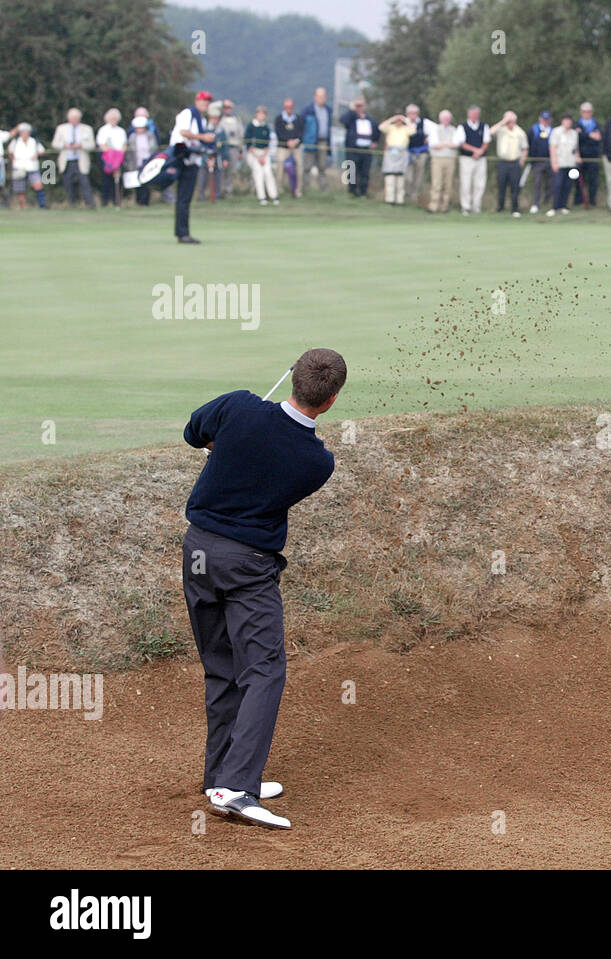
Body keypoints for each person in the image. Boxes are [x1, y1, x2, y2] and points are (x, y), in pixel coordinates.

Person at [183, 348, 347, 832]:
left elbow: (194, 432)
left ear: (292, 379)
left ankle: (222, 773)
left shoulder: (238, 406)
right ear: (331, 400)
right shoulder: (318, 462)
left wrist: (219, 443)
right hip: (247, 566)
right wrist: (228, 448)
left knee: (223, 667)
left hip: (198, 553)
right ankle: (234, 786)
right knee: (265, 669)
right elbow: (267, 472)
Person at [171, 90, 216, 243]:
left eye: (207, 101)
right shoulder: (188, 114)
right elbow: (183, 132)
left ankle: (182, 231)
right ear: (197, 101)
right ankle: (183, 234)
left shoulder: (201, 120)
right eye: (203, 100)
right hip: (183, 158)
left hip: (194, 159)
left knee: (185, 197)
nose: (205, 103)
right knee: (183, 197)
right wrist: (203, 137)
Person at [53, 108, 95, 207]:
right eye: (72, 118)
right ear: (68, 118)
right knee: (68, 183)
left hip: (81, 161)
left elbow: (92, 145)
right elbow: (55, 143)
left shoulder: (87, 129)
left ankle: (89, 204)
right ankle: (72, 204)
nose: (74, 120)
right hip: (67, 161)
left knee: (85, 183)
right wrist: (64, 145)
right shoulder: (61, 128)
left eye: (76, 118)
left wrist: (81, 145)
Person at [489, 110, 529, 216]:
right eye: (508, 121)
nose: (509, 123)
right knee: (501, 186)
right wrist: (503, 121)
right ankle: (500, 208)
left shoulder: (520, 132)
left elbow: (525, 148)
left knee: (515, 187)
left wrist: (522, 161)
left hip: (515, 163)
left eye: (510, 120)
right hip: (503, 162)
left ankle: (515, 209)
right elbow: (490, 132)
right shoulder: (501, 130)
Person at [455, 105, 490, 214]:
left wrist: (480, 151)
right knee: (466, 183)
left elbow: (486, 141)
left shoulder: (484, 126)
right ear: (468, 114)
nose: (475, 116)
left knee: (480, 184)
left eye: (477, 114)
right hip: (467, 159)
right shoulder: (462, 127)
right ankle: (465, 207)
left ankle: (476, 206)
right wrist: (475, 150)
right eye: (473, 114)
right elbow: (462, 143)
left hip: (481, 159)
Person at [339, 97, 376, 197]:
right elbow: (342, 120)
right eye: (357, 105)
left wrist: (374, 141)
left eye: (361, 105)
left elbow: (376, 130)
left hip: (366, 150)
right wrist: (352, 110)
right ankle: (352, 191)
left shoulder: (370, 118)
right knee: (351, 170)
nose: (359, 108)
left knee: (365, 171)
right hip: (353, 149)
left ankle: (363, 192)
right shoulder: (351, 118)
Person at [244, 106, 279, 205]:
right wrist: (258, 157)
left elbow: (267, 144)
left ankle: (273, 196)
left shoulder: (266, 127)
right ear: (256, 114)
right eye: (259, 113)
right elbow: (248, 144)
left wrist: (263, 156)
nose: (261, 116)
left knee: (268, 173)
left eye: (263, 114)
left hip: (264, 153)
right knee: (258, 173)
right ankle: (262, 197)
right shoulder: (251, 126)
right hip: (254, 153)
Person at [6, 123, 47, 209]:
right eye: (23, 132)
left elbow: (42, 151)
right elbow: (9, 151)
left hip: (32, 167)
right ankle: (22, 207)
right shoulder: (16, 141)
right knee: (20, 189)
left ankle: (42, 204)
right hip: (19, 167)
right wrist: (13, 161)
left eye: (26, 132)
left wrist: (37, 154)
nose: (25, 134)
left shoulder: (34, 141)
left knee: (38, 185)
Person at [378, 110, 414, 204]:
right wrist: (392, 119)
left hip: (402, 153)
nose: (398, 121)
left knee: (400, 177)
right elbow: (381, 127)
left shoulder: (406, 128)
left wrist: (405, 120)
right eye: (397, 119)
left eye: (400, 119)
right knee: (390, 176)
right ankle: (390, 199)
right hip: (391, 152)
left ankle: (399, 200)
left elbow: (413, 130)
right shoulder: (390, 128)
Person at [547, 112, 579, 216]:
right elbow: (552, 147)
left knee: (567, 186)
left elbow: (576, 148)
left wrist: (578, 157)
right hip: (559, 163)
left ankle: (563, 206)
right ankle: (554, 207)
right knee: (558, 185)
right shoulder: (556, 131)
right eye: (565, 120)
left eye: (569, 121)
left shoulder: (574, 133)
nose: (567, 122)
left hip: (571, 164)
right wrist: (554, 162)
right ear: (562, 121)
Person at [96, 108, 127, 209]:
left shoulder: (121, 131)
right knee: (106, 181)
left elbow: (124, 145)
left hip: (118, 159)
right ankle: (104, 202)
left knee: (117, 180)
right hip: (107, 159)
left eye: (115, 118)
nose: (114, 120)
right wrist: (111, 155)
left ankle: (116, 201)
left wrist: (118, 157)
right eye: (112, 118)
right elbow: (102, 145)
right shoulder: (103, 130)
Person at [403, 104, 433, 208]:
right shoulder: (404, 122)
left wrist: (428, 140)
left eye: (415, 113)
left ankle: (414, 198)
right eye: (411, 113)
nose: (413, 115)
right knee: (408, 177)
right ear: (407, 114)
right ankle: (406, 196)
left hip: (421, 153)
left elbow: (435, 131)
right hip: (407, 153)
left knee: (418, 177)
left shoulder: (424, 123)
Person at [428, 109, 458, 213]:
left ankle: (445, 206)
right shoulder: (435, 129)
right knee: (436, 183)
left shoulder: (454, 130)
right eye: (444, 118)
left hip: (450, 159)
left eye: (448, 118)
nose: (446, 120)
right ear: (440, 119)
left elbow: (456, 144)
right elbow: (434, 144)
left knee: (448, 184)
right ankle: (433, 206)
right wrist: (448, 144)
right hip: (437, 159)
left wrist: (443, 144)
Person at [124, 116, 157, 206]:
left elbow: (154, 148)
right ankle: (138, 201)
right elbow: (129, 152)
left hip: (147, 161)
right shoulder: (132, 137)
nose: (140, 130)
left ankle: (146, 202)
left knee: (146, 182)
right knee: (137, 183)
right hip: (136, 162)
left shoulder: (150, 135)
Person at [274, 98, 304, 198]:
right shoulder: (279, 119)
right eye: (287, 107)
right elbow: (279, 133)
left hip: (296, 148)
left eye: (290, 107)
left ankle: (297, 191)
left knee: (299, 168)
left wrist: (295, 141)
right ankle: (278, 190)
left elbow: (301, 133)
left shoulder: (298, 119)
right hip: (283, 147)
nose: (289, 109)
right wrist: (287, 141)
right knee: (280, 168)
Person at [304, 87, 332, 192]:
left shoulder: (328, 110)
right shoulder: (308, 110)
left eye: (323, 96)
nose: (321, 98)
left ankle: (323, 190)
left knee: (322, 166)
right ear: (315, 97)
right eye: (319, 96)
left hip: (323, 141)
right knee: (307, 166)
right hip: (311, 141)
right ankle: (306, 189)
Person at [575, 101, 602, 207]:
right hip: (580, 156)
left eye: (589, 112)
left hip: (593, 156)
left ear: (592, 112)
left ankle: (592, 201)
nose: (587, 114)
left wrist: (584, 135)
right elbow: (577, 138)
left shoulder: (596, 124)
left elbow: (598, 139)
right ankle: (578, 201)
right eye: (585, 112)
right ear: (581, 112)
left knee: (593, 180)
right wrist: (590, 135)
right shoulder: (576, 124)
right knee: (578, 179)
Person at [527, 110, 554, 213]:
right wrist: (531, 159)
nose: (545, 121)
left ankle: (547, 202)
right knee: (537, 183)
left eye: (547, 119)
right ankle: (535, 204)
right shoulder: (533, 130)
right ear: (540, 119)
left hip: (551, 161)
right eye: (544, 119)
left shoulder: (553, 130)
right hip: (537, 161)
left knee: (551, 184)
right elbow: (528, 144)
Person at [217, 101, 244, 197]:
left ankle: (228, 191)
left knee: (231, 171)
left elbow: (241, 135)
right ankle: (218, 191)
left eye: (229, 107)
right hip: (222, 148)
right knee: (221, 170)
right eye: (225, 107)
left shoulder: (237, 120)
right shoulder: (220, 119)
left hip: (234, 148)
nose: (227, 109)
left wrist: (241, 151)